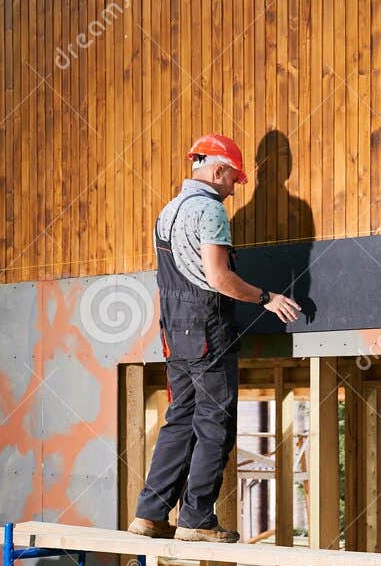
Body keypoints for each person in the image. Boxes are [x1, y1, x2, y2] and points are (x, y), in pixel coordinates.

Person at [128, 133, 302, 543]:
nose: (232, 190)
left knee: (180, 421)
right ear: (219, 170)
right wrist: (266, 297)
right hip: (207, 328)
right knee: (214, 425)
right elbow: (218, 277)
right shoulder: (209, 211)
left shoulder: (168, 211)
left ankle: (149, 515)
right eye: (232, 181)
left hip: (175, 331)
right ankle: (195, 520)